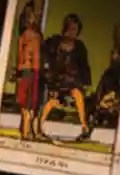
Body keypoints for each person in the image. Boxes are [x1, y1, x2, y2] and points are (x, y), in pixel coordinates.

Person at [37, 13, 93, 142]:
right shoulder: (55, 42)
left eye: (75, 29)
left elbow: (84, 65)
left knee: (77, 93)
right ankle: (39, 124)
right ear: (66, 27)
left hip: (73, 80)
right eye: (71, 28)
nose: (72, 32)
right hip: (57, 79)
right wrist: (48, 75)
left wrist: (86, 82)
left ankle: (84, 125)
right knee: (52, 100)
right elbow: (46, 57)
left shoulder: (79, 46)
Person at [15, 8, 43, 141]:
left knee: (28, 104)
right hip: (30, 71)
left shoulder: (32, 37)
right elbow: (21, 56)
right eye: (31, 17)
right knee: (27, 104)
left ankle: (27, 131)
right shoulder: (32, 37)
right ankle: (26, 132)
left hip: (31, 71)